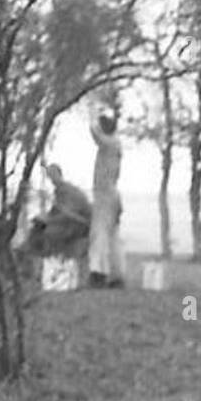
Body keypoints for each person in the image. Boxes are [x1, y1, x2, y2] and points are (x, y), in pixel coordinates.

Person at [88, 110, 124, 288]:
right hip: (112, 193)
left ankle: (98, 273)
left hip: (105, 194)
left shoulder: (109, 143)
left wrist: (92, 114)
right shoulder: (115, 143)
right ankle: (116, 275)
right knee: (113, 236)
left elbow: (95, 132)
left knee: (99, 234)